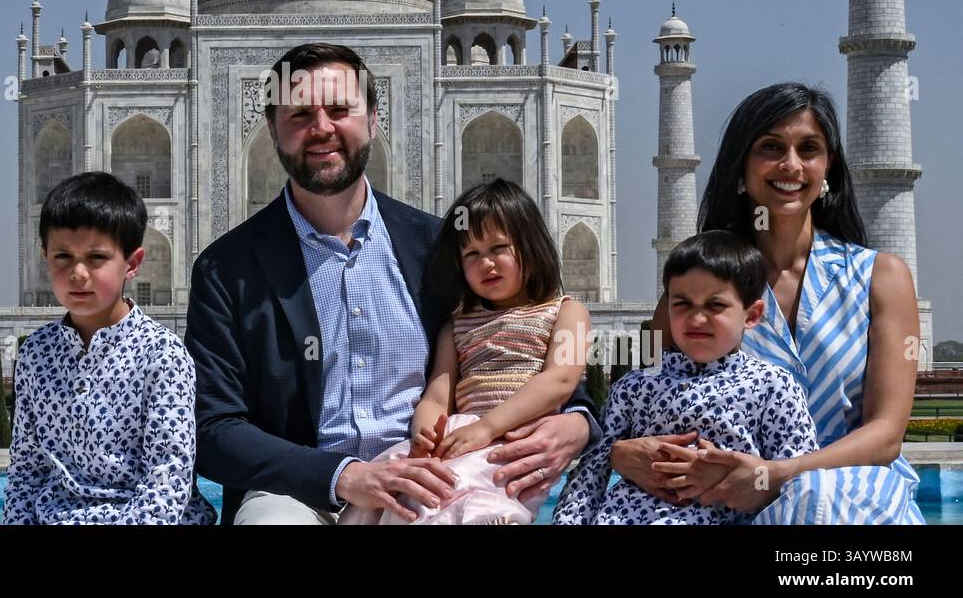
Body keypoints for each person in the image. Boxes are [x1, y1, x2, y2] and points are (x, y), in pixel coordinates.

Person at [185, 42, 599, 525]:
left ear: (374, 118)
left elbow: (515, 334)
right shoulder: (227, 268)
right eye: (299, 114)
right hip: (300, 489)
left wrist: (579, 421)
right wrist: (345, 475)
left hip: (434, 476)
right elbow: (213, 429)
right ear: (272, 129)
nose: (321, 128)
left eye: (340, 109)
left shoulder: (436, 246)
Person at [612, 83, 924, 524]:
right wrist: (621, 451)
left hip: (858, 495)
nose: (791, 165)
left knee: (818, 496)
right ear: (742, 165)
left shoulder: (880, 278)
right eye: (771, 147)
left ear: (828, 164)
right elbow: (645, 402)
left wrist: (778, 474)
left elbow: (885, 435)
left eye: (809, 148)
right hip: (725, 505)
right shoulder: (694, 293)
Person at [339, 179, 591, 525]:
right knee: (398, 482)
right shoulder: (456, 325)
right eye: (472, 254)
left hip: (512, 441)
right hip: (461, 436)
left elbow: (560, 381)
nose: (485, 262)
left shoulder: (567, 311)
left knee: (461, 491)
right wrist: (425, 434)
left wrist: (488, 428)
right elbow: (437, 396)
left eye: (498, 248)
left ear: (531, 249)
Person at [553, 231, 818, 524]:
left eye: (715, 305)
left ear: (752, 315)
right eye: (682, 304)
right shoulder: (636, 386)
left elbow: (799, 478)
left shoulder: (772, 386)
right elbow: (590, 474)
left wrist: (734, 476)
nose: (697, 319)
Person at [3, 172, 216, 525]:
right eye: (63, 256)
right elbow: (27, 469)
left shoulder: (161, 355)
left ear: (131, 264)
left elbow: (166, 480)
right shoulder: (36, 354)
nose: (78, 273)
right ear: (45, 256)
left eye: (96, 257)